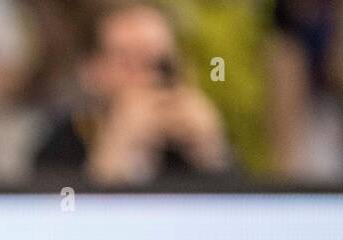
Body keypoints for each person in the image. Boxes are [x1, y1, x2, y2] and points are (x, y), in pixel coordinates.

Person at [33, 0, 230, 185]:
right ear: (90, 70)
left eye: (160, 64)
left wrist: (212, 155)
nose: (148, 79)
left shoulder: (185, 144)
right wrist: (115, 154)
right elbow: (59, 215)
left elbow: (234, 214)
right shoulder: (62, 145)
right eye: (128, 63)